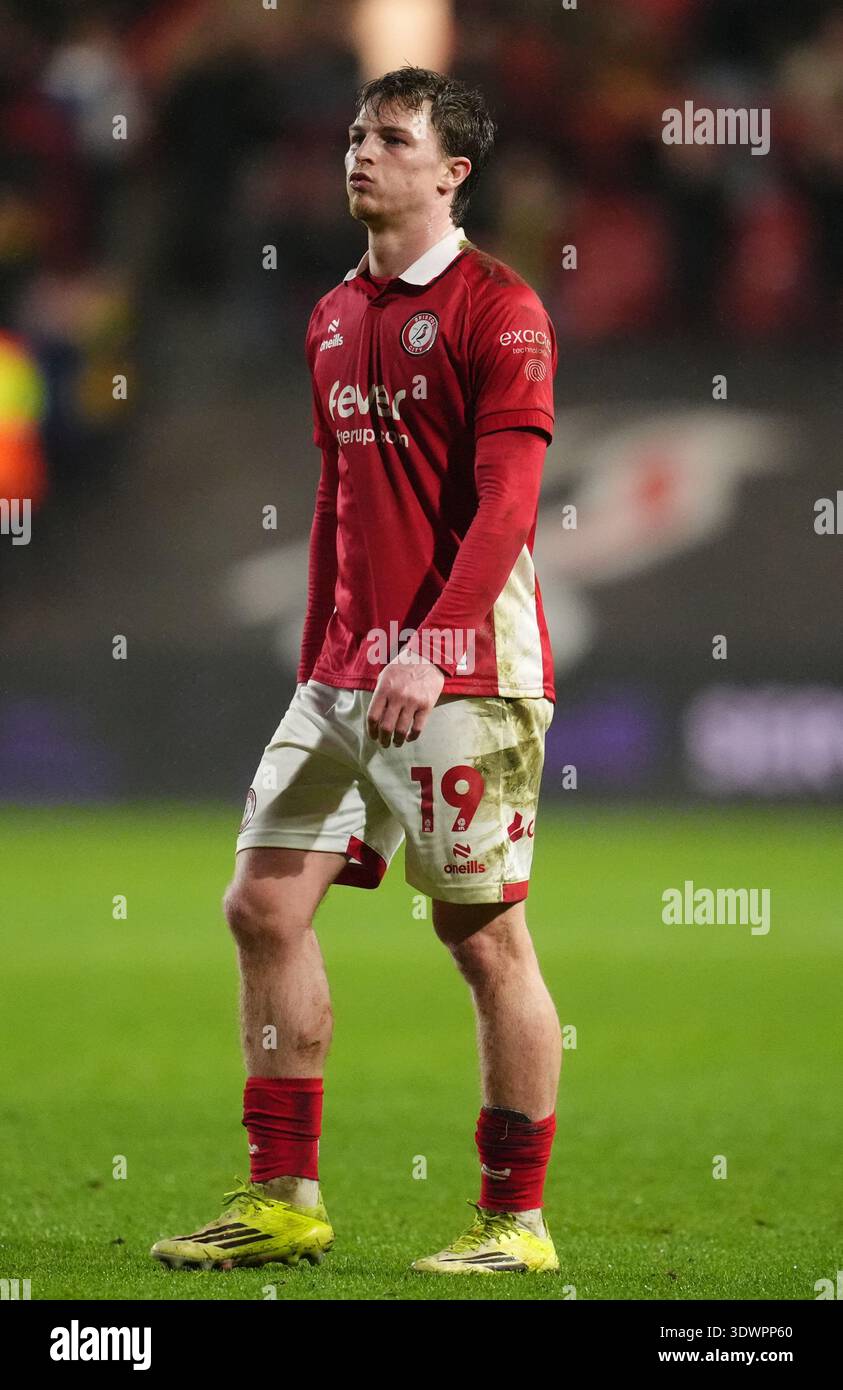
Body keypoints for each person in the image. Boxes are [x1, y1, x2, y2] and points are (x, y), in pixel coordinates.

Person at [151, 64, 561, 1277]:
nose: (360, 153)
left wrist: (432, 651)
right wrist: (327, 651)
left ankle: (514, 1223)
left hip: (468, 673)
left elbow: (507, 507)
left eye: (390, 138)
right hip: (343, 676)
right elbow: (338, 496)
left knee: (482, 938)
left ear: (453, 172)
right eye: (354, 133)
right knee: (262, 904)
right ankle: (284, 1198)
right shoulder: (332, 312)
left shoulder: (503, 309)